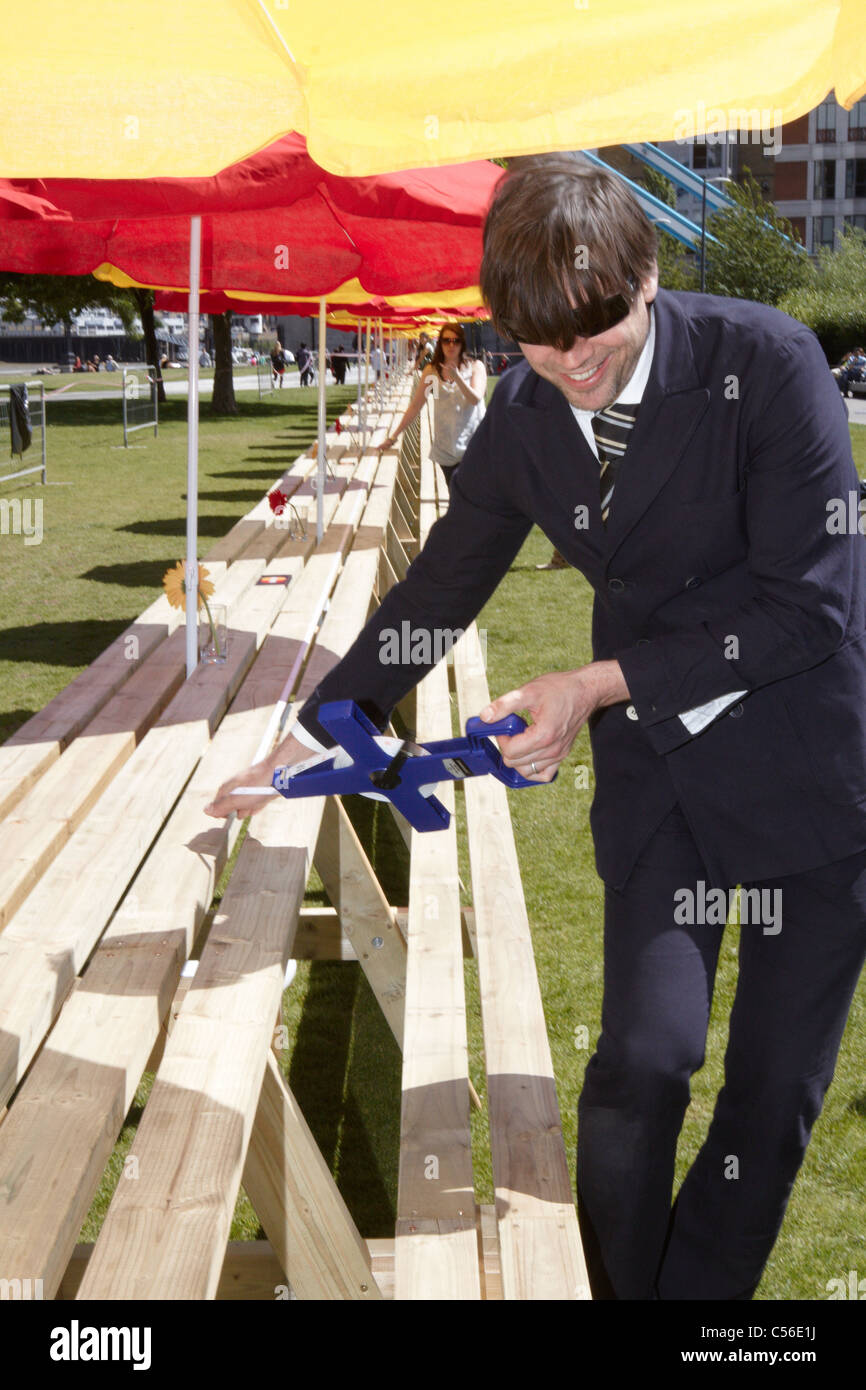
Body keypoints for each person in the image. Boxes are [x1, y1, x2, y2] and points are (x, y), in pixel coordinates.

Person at [204, 154, 866, 1302]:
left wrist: (593, 683)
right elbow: (439, 589)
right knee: (638, 1066)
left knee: (768, 1098)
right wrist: (328, 727)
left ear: (645, 273)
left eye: (595, 329)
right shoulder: (520, 412)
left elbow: (804, 607)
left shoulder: (768, 362)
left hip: (816, 777)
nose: (573, 364)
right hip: (662, 781)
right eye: (540, 342)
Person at [379, 323, 487, 492]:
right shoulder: (432, 372)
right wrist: (393, 437)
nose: (451, 345)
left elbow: (475, 398)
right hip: (447, 450)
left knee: (474, 498)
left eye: (456, 341)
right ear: (440, 343)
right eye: (446, 341)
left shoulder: (475, 367)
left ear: (462, 343)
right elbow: (415, 406)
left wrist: (457, 378)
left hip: (474, 448)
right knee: (457, 499)